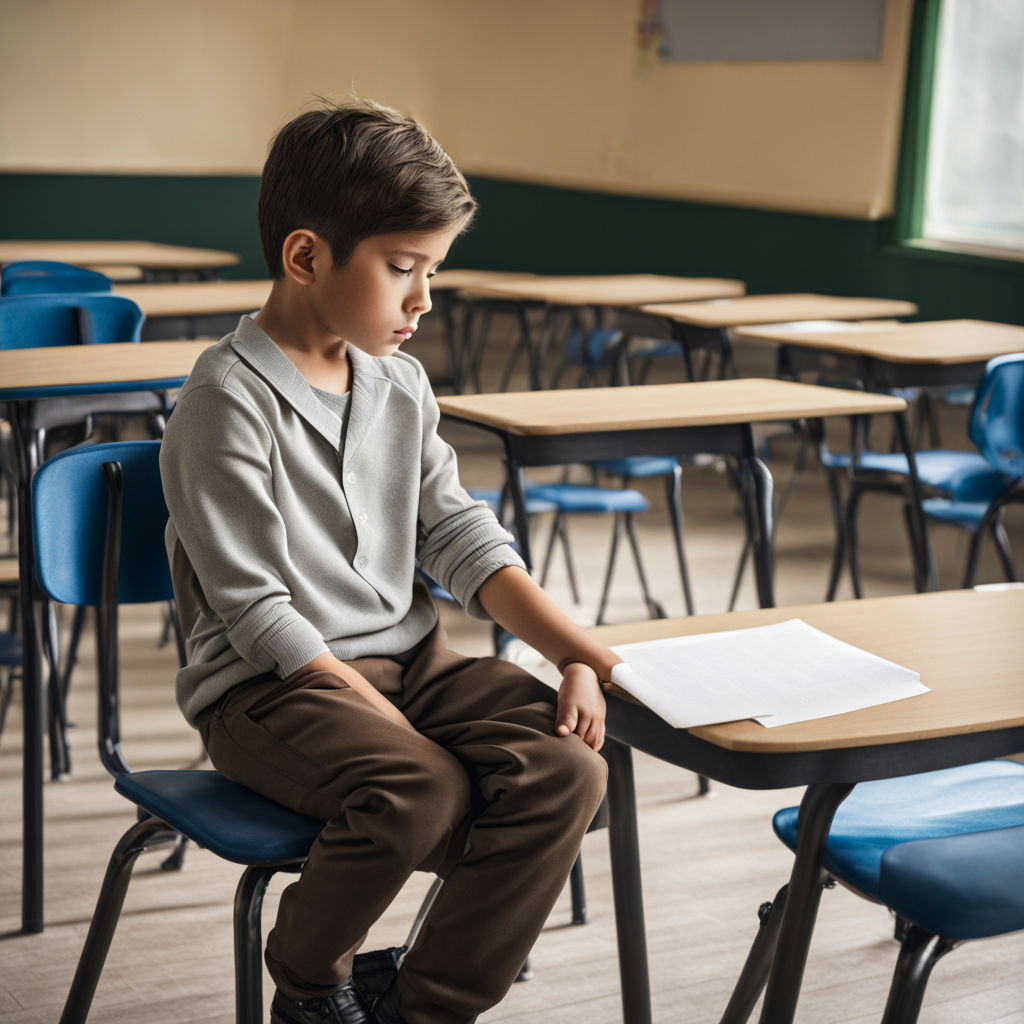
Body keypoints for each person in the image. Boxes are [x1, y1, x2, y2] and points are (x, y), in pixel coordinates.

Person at [160, 98, 624, 1024]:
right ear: (305, 258)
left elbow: (460, 536)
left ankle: (422, 1007)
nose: (423, 300)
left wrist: (583, 657)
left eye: (433, 272)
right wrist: (389, 721)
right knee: (420, 786)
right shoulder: (225, 401)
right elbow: (258, 613)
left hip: (412, 664)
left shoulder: (400, 384)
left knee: (568, 769)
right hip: (267, 690)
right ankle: (307, 981)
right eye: (403, 268)